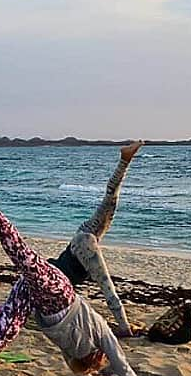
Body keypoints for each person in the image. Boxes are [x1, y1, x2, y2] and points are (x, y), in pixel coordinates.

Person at [0, 178, 148, 376]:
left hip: (33, 298)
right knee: (17, 249)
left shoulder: (75, 352)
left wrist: (91, 375)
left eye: (98, 362)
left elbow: (98, 361)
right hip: (57, 289)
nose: (104, 357)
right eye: (100, 361)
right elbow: (119, 361)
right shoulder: (98, 335)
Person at [48, 141, 144, 337]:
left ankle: (124, 326)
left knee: (106, 285)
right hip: (79, 241)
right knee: (110, 202)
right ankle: (125, 160)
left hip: (81, 245)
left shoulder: (51, 283)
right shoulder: (52, 281)